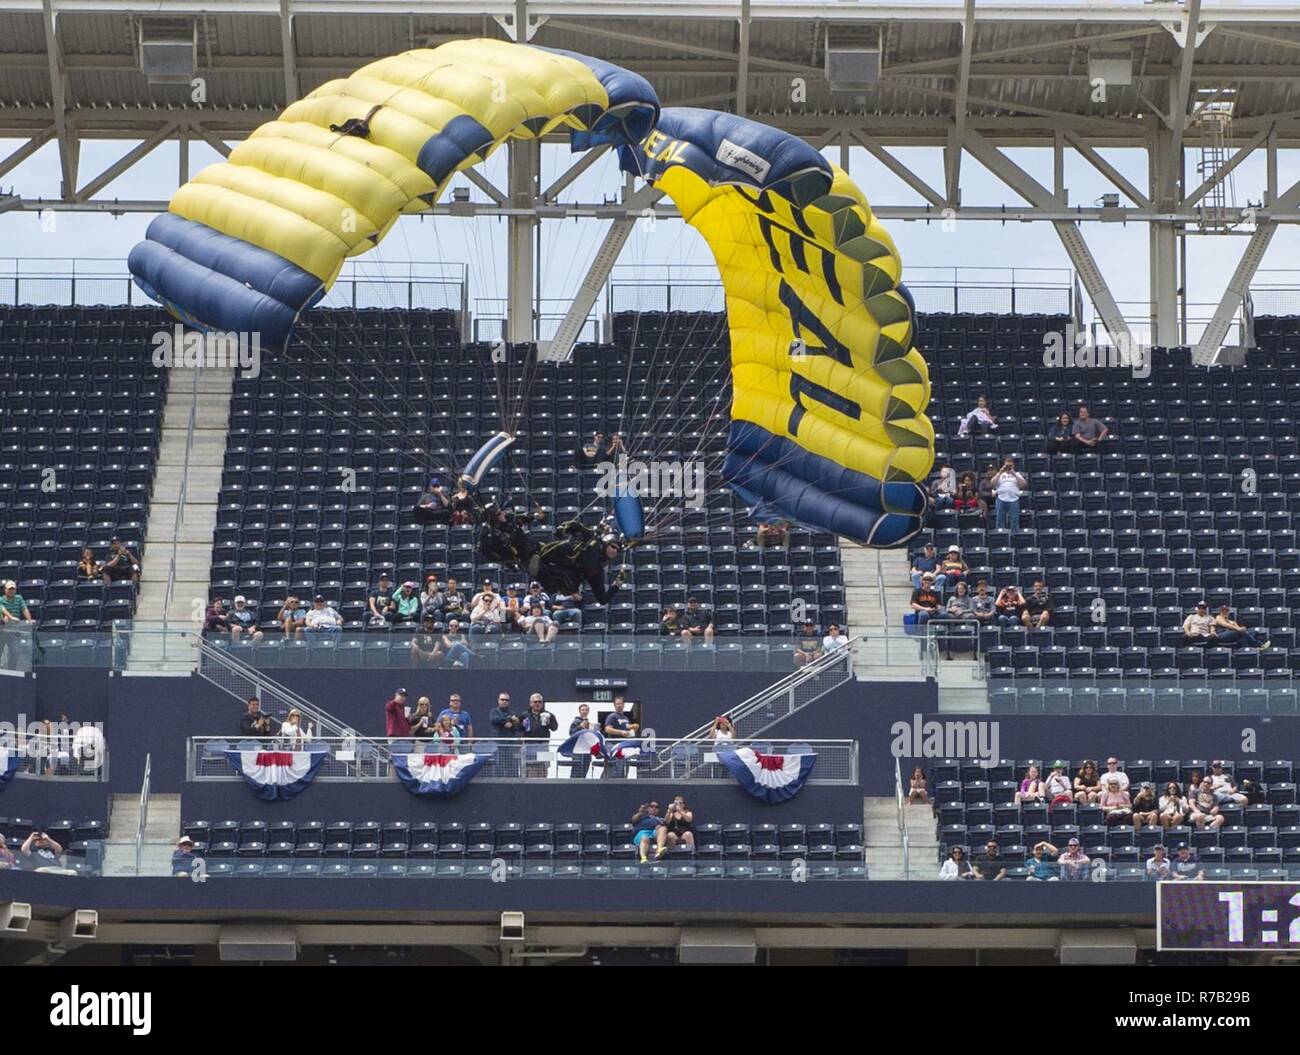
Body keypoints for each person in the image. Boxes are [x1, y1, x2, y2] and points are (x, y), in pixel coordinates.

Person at [529, 521, 627, 604]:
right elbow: (576, 526)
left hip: (564, 575)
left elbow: (602, 599)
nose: (615, 551)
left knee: (565, 580)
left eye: (618, 551)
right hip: (561, 557)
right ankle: (539, 553)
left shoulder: (597, 571)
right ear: (606, 543)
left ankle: (538, 568)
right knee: (567, 546)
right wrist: (564, 529)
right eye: (613, 547)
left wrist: (617, 585)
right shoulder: (593, 540)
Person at [521, 693, 557, 777]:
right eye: (535, 701)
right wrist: (522, 724)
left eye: (539, 702)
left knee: (543, 769)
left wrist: (548, 723)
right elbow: (518, 728)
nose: (537, 703)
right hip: (529, 745)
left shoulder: (549, 714)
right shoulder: (524, 715)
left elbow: (555, 727)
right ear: (531, 703)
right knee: (530, 769)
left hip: (544, 745)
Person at [991, 457, 1027, 531]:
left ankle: (1014, 536)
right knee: (1000, 519)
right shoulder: (1000, 474)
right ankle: (1001, 536)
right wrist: (1000, 472)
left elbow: (1023, 484)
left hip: (1013, 500)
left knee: (1014, 520)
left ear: (1013, 466)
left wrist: (1013, 473)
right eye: (1007, 466)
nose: (1008, 467)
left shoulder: (1017, 474)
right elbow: (992, 483)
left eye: (1010, 466)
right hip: (1001, 499)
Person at [568, 704, 594, 778]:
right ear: (579, 711)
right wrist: (580, 726)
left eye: (586, 710)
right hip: (578, 750)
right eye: (583, 710)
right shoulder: (576, 721)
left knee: (584, 771)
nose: (584, 711)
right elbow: (571, 733)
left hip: (587, 750)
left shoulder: (589, 724)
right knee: (576, 771)